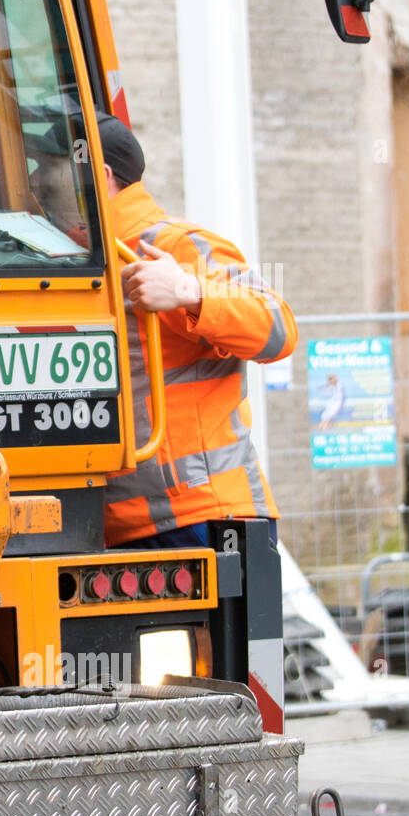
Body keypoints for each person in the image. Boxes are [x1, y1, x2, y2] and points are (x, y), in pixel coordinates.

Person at [96, 114, 296, 549]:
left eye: (42, 167)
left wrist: (188, 291)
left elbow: (276, 326)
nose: (31, 181)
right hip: (111, 527)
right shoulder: (76, 262)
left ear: (97, 173)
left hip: (201, 517)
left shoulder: (173, 245)